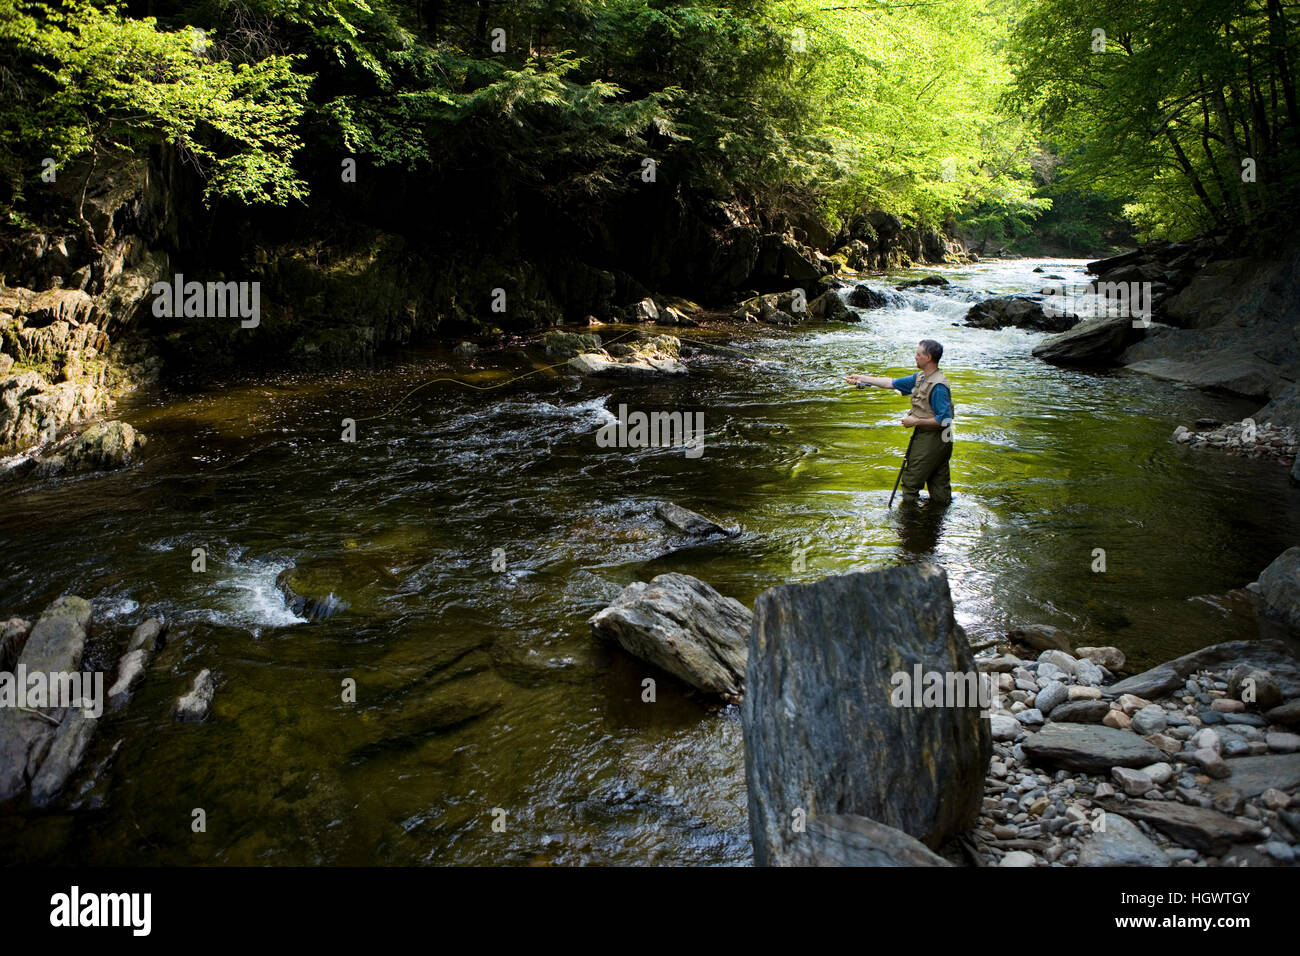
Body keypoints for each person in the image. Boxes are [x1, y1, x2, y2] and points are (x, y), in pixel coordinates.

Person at [845, 339, 955, 506]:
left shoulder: (938, 386)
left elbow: (945, 419)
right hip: (938, 441)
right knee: (940, 487)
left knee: (910, 483)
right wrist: (863, 379)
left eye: (918, 354)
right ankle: (936, 523)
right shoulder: (921, 377)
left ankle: (908, 525)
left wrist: (915, 421)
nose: (915, 357)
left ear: (929, 357)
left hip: (933, 440)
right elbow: (891, 383)